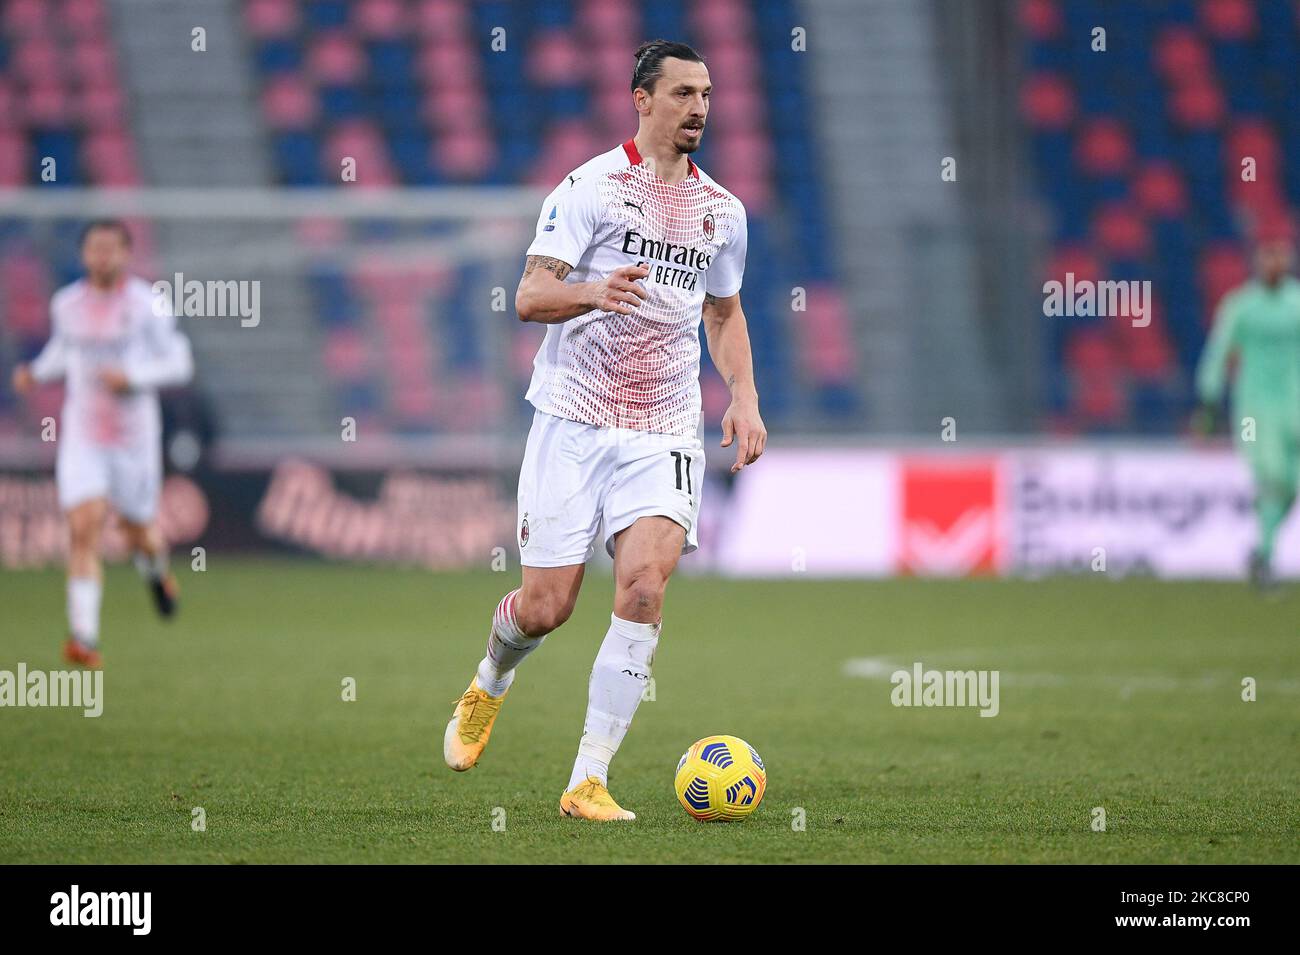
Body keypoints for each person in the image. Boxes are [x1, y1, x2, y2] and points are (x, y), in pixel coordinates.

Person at [442, 40, 766, 820]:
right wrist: (592, 291)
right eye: (684, 93)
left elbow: (722, 311)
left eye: (708, 94)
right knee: (546, 606)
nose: (700, 108)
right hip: (575, 417)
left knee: (646, 587)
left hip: (664, 424)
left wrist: (745, 395)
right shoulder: (590, 188)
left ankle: (588, 777)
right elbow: (529, 296)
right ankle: (490, 679)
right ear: (641, 99)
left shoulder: (723, 212)